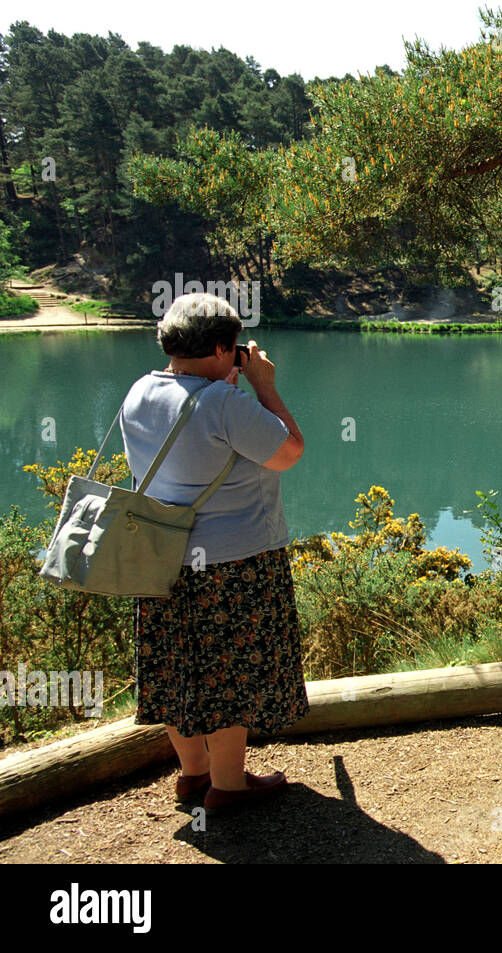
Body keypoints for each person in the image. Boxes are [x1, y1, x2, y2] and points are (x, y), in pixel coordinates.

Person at [121, 292, 308, 814]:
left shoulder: (140, 391)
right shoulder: (227, 402)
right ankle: (229, 787)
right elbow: (288, 451)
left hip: (158, 558)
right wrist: (264, 388)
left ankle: (193, 776)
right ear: (227, 348)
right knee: (229, 674)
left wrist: (222, 388)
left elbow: (183, 447)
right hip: (234, 563)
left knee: (178, 668)